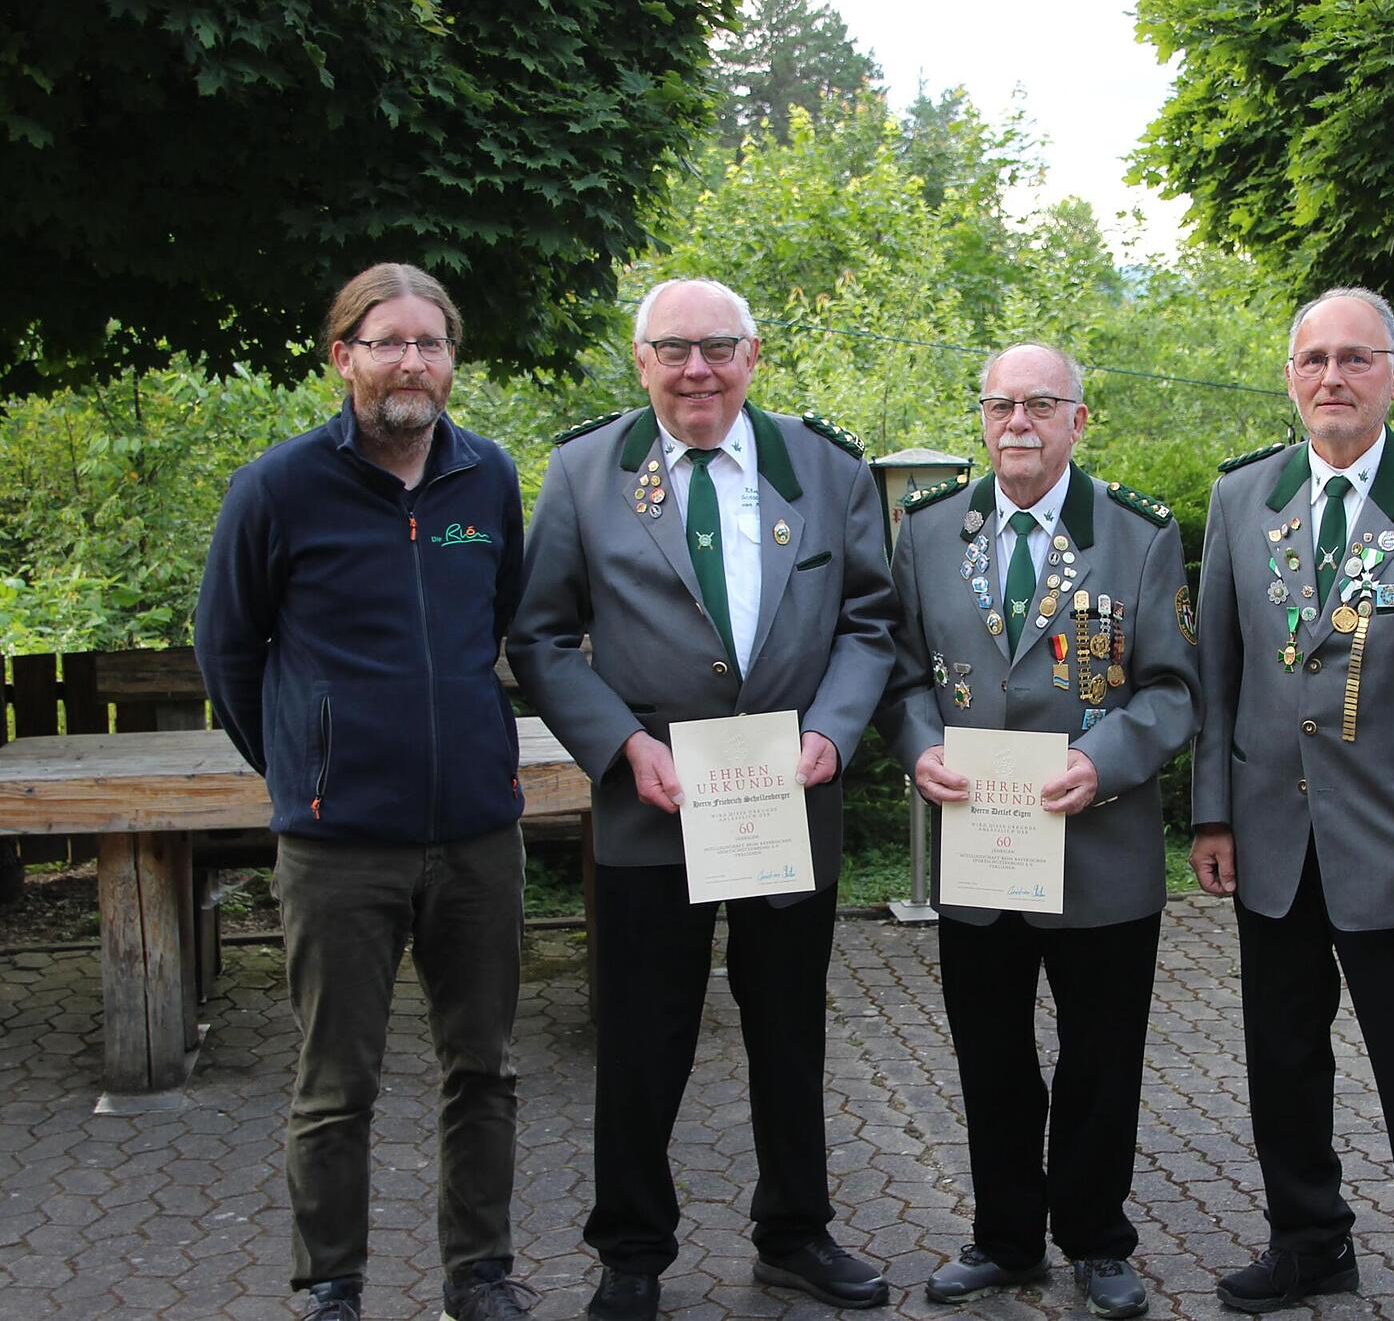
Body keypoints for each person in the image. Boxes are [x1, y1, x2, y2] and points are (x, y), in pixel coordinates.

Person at [506, 278, 895, 1320]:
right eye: (672, 349)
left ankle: (795, 1232)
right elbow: (539, 635)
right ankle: (631, 1250)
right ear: (639, 362)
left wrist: (833, 731)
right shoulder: (586, 471)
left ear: (752, 353)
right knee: (642, 1038)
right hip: (652, 801)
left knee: (788, 1028)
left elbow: (868, 619)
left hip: (786, 797)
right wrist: (618, 743)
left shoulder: (823, 467)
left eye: (717, 347)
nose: (696, 369)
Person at [195, 264, 536, 1321]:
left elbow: (502, 625)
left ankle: (477, 1275)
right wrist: (308, 765)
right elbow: (227, 650)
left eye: (428, 343)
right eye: (385, 342)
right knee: (335, 1085)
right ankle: (328, 1284)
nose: (410, 362)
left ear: (451, 358)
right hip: (338, 845)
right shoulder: (280, 487)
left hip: (478, 836)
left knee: (482, 1070)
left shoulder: (486, 480)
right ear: (342, 355)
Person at [1190, 287, 1394, 1320]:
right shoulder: (1240, 498)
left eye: (1354, 359)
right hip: (1272, 838)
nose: (1331, 377)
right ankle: (1306, 1239)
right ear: (1289, 374)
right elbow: (1218, 672)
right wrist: (1211, 812)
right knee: (1281, 1058)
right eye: (1312, 359)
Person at [875, 343, 1200, 1319]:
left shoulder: (1138, 535)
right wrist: (918, 745)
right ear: (982, 417)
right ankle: (1005, 1237)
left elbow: (1171, 690)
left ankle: (1097, 1237)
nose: (1016, 421)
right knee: (993, 1056)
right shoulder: (929, 532)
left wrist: (1105, 757)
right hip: (980, 846)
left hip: (1097, 842)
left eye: (1039, 404)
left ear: (1076, 419)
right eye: (999, 404)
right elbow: (895, 672)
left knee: (1101, 1059)